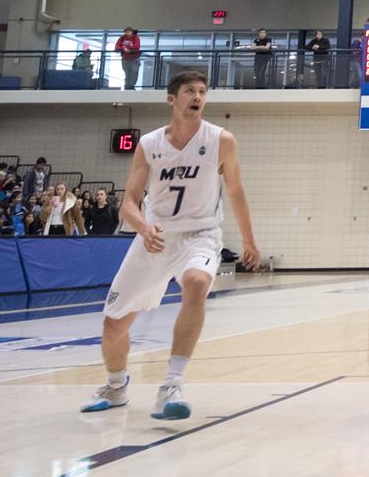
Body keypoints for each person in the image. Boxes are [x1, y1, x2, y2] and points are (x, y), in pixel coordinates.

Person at [80, 71, 262, 419]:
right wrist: (143, 227)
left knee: (196, 283)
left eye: (203, 92)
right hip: (155, 237)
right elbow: (129, 202)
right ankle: (116, 386)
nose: (198, 96)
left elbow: (236, 191)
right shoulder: (149, 144)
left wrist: (249, 240)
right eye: (190, 91)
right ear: (172, 99)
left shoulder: (222, 140)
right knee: (114, 324)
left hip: (201, 234)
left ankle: (172, 385)